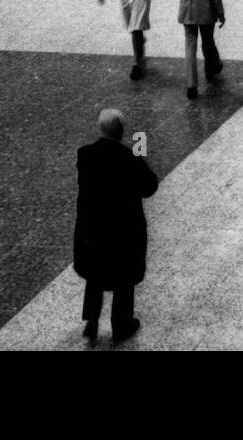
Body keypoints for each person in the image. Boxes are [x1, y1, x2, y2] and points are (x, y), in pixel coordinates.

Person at [73, 108, 158, 345]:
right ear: (121, 131)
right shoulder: (129, 158)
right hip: (124, 229)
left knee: (95, 272)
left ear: (100, 129)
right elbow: (150, 187)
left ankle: (91, 319)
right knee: (124, 276)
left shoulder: (86, 155)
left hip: (94, 226)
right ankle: (121, 323)